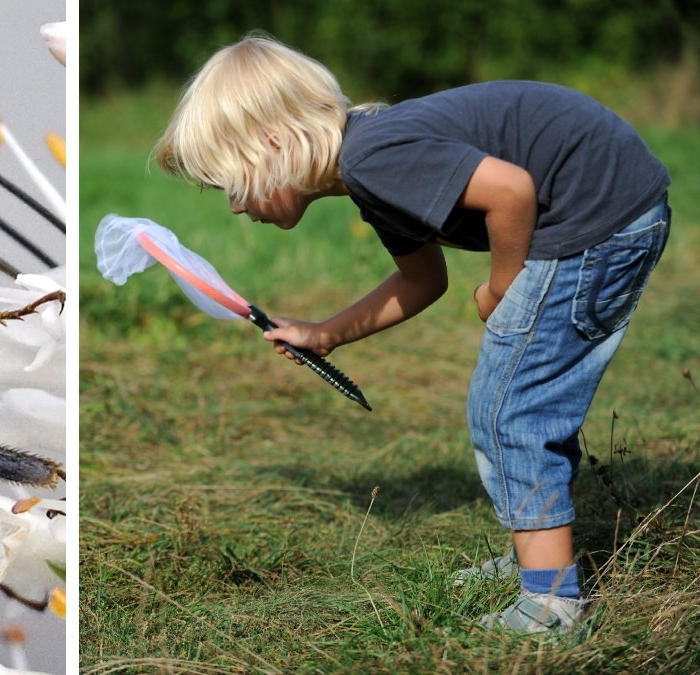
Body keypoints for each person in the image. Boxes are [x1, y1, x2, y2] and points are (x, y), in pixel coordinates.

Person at [153, 34, 670, 634]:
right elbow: (422, 279)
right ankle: (536, 555)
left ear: (271, 145)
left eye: (230, 185)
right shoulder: (371, 173)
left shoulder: (373, 159)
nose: (236, 208)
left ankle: (551, 605)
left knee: (513, 411)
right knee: (519, 399)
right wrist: (326, 334)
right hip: (611, 206)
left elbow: (511, 190)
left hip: (594, 217)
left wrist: (504, 286)